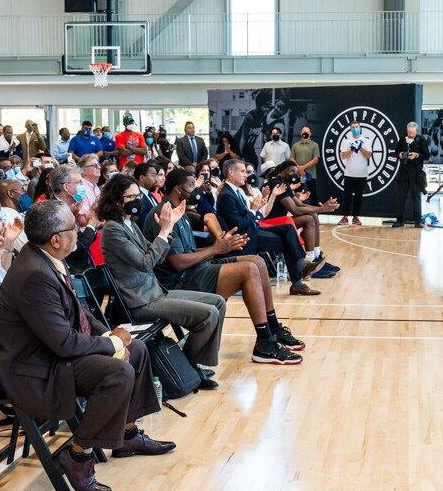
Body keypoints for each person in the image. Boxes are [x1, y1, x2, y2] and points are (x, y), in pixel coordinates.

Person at [0, 200, 175, 491]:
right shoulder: (34, 274)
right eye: (73, 228)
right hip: (39, 369)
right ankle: (77, 455)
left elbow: (79, 312)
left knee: (138, 349)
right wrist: (113, 344)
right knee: (117, 372)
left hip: (55, 355)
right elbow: (64, 342)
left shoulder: (47, 257)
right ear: (56, 239)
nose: (79, 231)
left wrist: (110, 334)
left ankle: (128, 434)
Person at [145, 169, 303, 364]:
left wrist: (223, 246)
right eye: (191, 185)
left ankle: (273, 328)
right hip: (178, 281)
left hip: (194, 271)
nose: (196, 189)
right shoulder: (164, 214)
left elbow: (190, 252)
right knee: (248, 270)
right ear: (178, 189)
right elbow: (178, 263)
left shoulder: (180, 209)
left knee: (257, 261)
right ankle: (265, 343)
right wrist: (216, 249)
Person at [99, 176, 225, 387]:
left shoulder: (129, 224)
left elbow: (156, 256)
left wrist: (168, 229)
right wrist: (164, 231)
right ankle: (191, 367)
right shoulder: (113, 229)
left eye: (138, 196)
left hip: (155, 291)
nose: (137, 200)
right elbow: (146, 263)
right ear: (117, 200)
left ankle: (192, 365)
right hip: (140, 301)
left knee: (218, 302)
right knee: (208, 314)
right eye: (131, 196)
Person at [217, 159, 322, 296]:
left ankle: (302, 267)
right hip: (245, 237)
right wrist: (253, 210)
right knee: (287, 240)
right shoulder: (226, 195)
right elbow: (238, 225)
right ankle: (298, 280)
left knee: (288, 228)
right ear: (231, 172)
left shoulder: (236, 191)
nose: (246, 175)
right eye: (242, 171)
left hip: (253, 229)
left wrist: (261, 205)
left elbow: (255, 215)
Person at [266, 161, 340, 275]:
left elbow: (300, 204)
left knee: (313, 215)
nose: (294, 174)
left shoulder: (285, 185)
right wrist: (322, 209)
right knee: (308, 219)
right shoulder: (276, 184)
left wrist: (322, 208)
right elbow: (295, 210)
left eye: (296, 172)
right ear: (282, 172)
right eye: (292, 171)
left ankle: (316, 256)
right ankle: (309, 263)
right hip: (269, 223)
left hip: (280, 221)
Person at [392, 122, 430, 228]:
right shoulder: (402, 139)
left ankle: (418, 221)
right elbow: (396, 152)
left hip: (416, 172)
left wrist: (417, 155)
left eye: (413, 133)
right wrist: (400, 154)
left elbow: (427, 155)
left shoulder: (421, 140)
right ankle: (400, 221)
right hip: (403, 171)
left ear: (416, 131)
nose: (410, 135)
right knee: (401, 197)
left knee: (416, 197)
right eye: (409, 132)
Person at [336, 121, 372, 226]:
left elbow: (368, 155)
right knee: (347, 196)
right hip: (349, 173)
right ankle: (345, 217)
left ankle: (356, 217)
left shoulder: (366, 141)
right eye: (353, 127)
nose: (355, 128)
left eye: (357, 127)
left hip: (362, 174)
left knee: (358, 196)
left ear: (360, 128)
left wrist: (360, 147)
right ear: (350, 129)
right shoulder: (346, 141)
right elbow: (343, 156)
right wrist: (352, 149)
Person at [290, 126, 320, 206]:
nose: (305, 133)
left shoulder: (314, 145)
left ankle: (314, 211)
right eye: (303, 132)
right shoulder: (295, 145)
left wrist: (303, 168)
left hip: (310, 174)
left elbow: (315, 159)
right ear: (300, 133)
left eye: (307, 132)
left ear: (310, 134)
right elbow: (291, 158)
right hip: (298, 174)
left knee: (313, 194)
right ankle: (294, 210)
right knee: (296, 193)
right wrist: (298, 168)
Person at [134, 161, 160, 225]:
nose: (156, 179)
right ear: (142, 178)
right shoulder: (138, 197)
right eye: (153, 176)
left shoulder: (149, 193)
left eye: (156, 176)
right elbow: (144, 223)